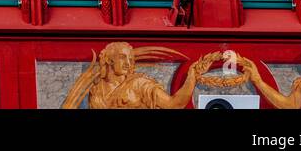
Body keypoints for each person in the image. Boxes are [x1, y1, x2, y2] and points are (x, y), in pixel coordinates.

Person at [63, 42, 219, 109]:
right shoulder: (96, 89)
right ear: (109, 60)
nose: (128, 63)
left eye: (131, 59)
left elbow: (174, 104)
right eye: (123, 57)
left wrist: (191, 76)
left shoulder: (140, 84)